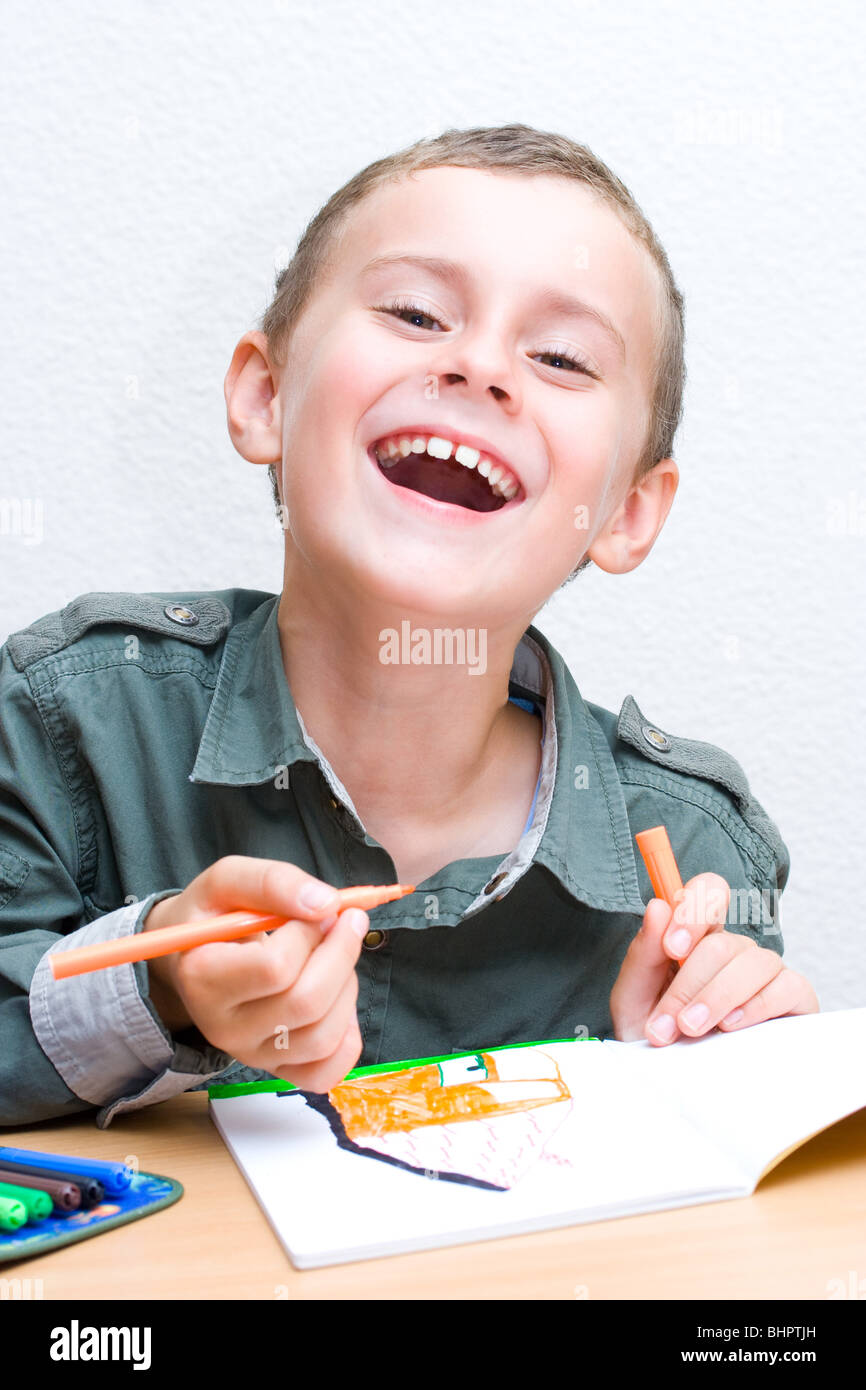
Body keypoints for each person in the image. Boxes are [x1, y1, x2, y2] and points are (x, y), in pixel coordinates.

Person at [0, 124, 817, 1128]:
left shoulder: (696, 851)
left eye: (560, 357)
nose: (479, 365)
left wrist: (709, 1088)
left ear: (625, 512)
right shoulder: (57, 725)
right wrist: (158, 985)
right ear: (264, 395)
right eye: (414, 312)